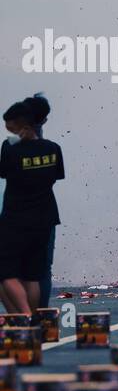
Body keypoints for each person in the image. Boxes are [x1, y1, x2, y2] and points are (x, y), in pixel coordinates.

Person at [0, 101, 65, 313]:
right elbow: (55, 177)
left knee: (7, 274)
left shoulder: (10, 148)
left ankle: (22, 318)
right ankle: (37, 319)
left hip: (15, 218)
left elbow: (5, 173)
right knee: (35, 274)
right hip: (44, 217)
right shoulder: (53, 149)